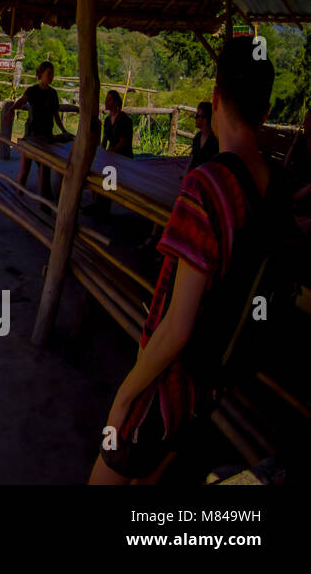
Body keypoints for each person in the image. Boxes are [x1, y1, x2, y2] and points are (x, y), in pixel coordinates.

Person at [90, 37, 286, 484]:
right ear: (266, 109)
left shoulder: (207, 186)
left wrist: (124, 397)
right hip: (215, 378)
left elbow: (177, 327)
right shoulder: (274, 184)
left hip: (167, 385)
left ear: (215, 100)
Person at [14, 61, 67, 200]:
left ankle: (43, 198)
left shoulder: (53, 93)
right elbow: (22, 101)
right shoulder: (32, 91)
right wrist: (11, 110)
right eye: (49, 73)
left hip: (46, 136)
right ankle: (18, 196)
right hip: (32, 135)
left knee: (43, 167)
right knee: (25, 168)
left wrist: (63, 130)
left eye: (52, 74)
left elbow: (56, 115)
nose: (51, 76)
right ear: (40, 75)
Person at [188, 101, 219, 171]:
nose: (196, 119)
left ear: (205, 119)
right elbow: (192, 161)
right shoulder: (197, 137)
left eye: (198, 116)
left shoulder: (215, 141)